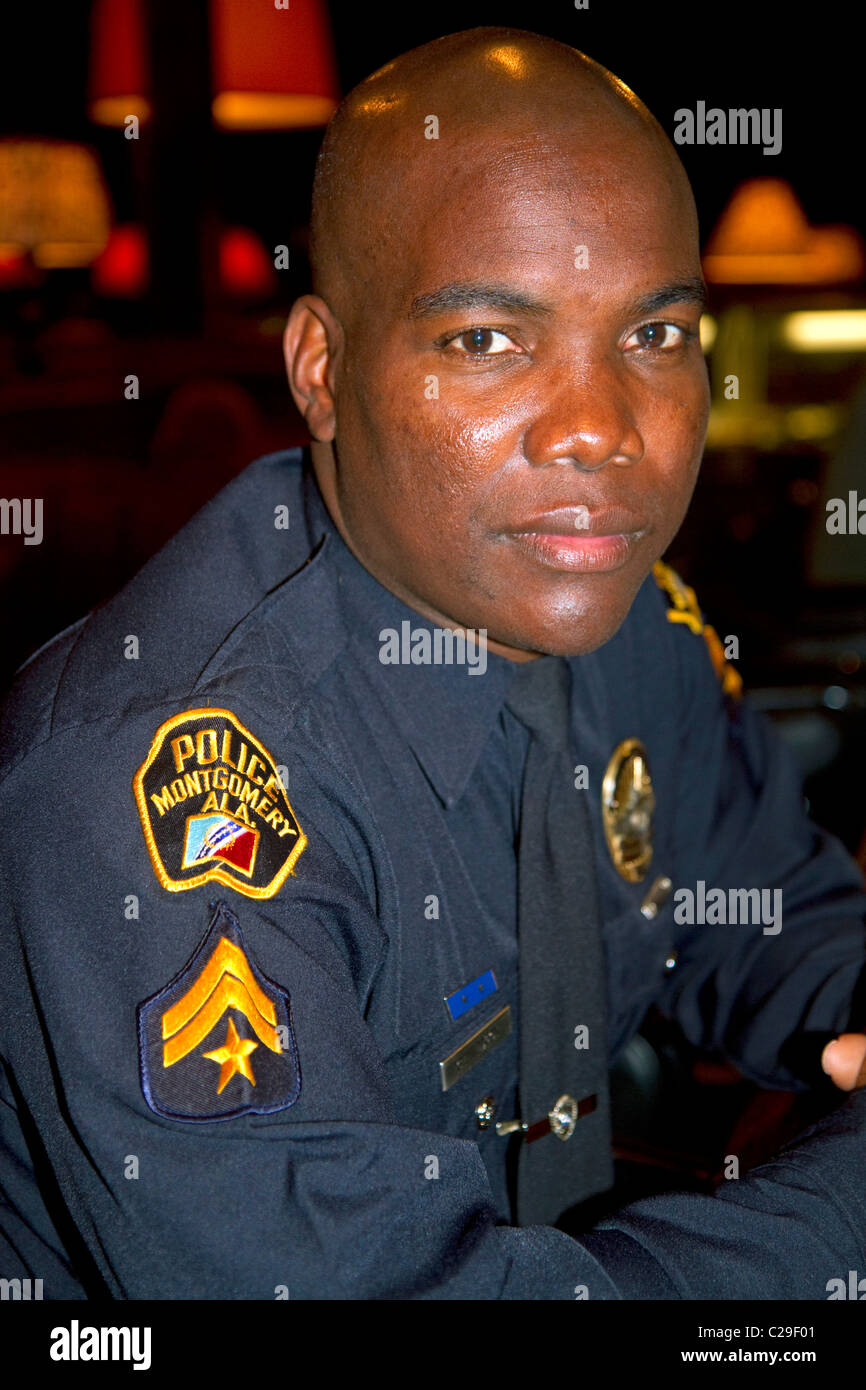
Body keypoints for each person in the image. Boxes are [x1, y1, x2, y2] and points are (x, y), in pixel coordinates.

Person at [1, 26, 865, 1301]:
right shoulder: (157, 799)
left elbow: (760, 909)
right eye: (485, 341)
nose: (601, 431)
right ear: (324, 370)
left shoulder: (627, 623)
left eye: (653, 335)